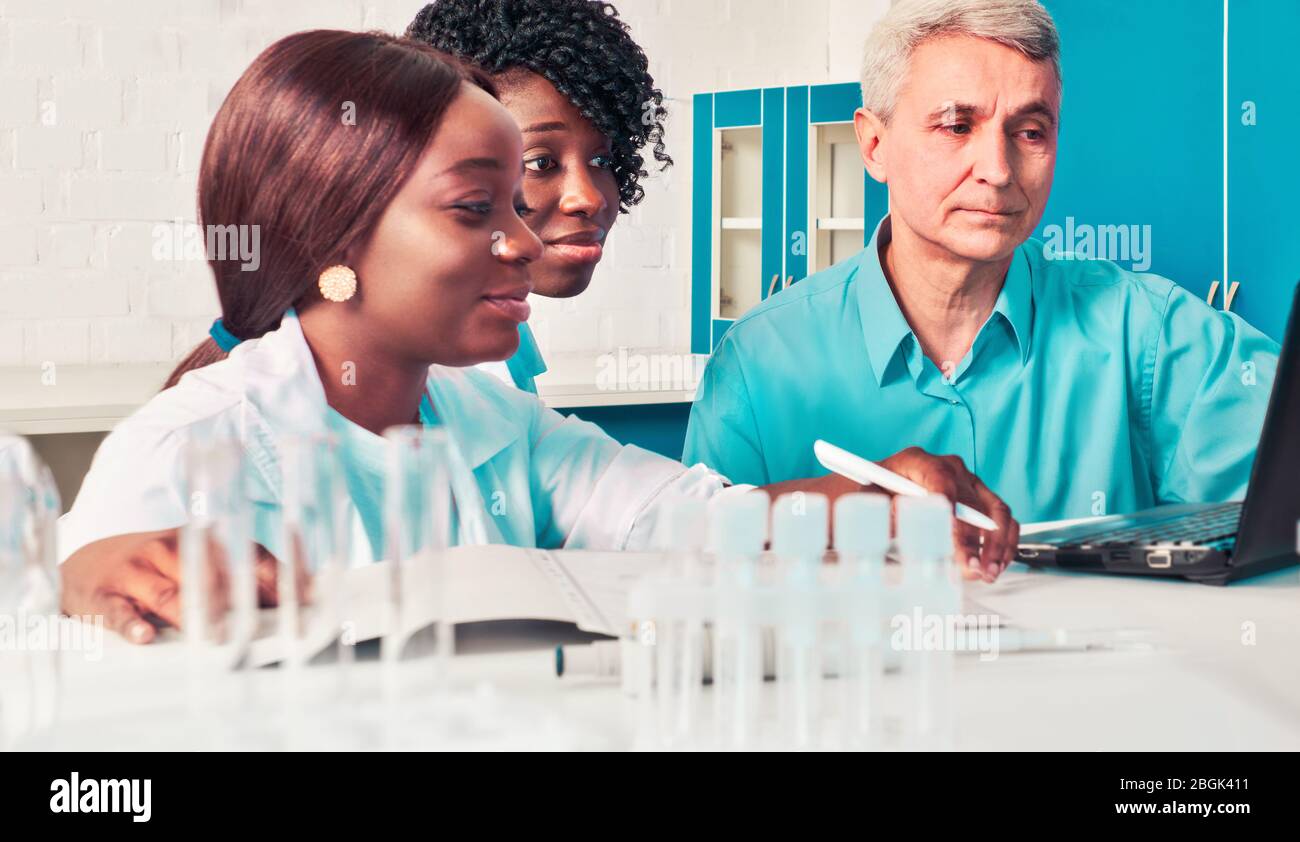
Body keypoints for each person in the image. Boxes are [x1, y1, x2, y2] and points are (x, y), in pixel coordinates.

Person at [58, 31, 1018, 645]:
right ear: (335, 239)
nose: (523, 241)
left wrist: (873, 500)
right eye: (478, 207)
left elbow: (686, 522)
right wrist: (78, 581)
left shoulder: (491, 416)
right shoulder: (192, 446)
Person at [683, 0, 1279, 524]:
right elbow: (703, 584)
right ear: (874, 145)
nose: (997, 170)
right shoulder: (758, 364)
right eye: (957, 125)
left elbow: (1280, 482)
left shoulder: (1146, 335)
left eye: (1029, 132)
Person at [408, 0, 670, 394]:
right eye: (541, 162)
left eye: (601, 159)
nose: (589, 198)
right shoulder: (433, 375)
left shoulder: (499, 348)